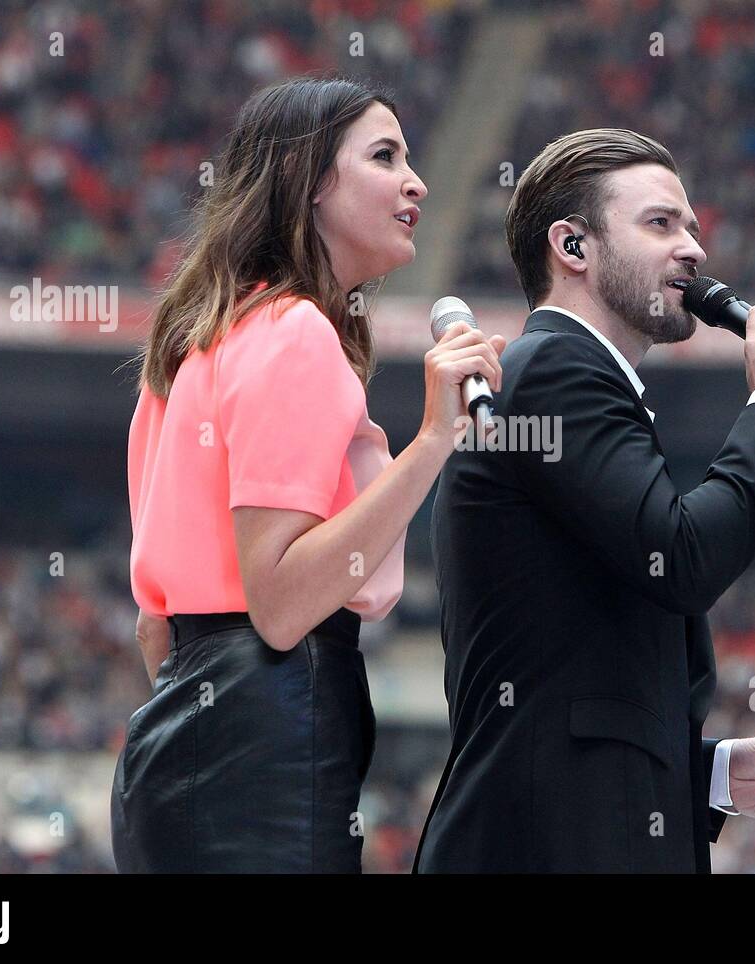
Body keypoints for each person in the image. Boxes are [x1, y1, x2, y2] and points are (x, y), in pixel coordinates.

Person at [112, 76, 504, 873]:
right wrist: (435, 437)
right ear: (312, 182)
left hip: (181, 727)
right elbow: (285, 604)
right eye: (384, 156)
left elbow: (155, 627)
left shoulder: (196, 344)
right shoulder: (296, 333)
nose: (416, 181)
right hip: (272, 728)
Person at [415, 129, 755, 873]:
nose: (695, 250)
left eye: (693, 228)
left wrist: (705, 771)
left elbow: (585, 682)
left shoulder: (569, 381)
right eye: (661, 223)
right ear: (572, 246)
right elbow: (682, 557)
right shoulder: (551, 371)